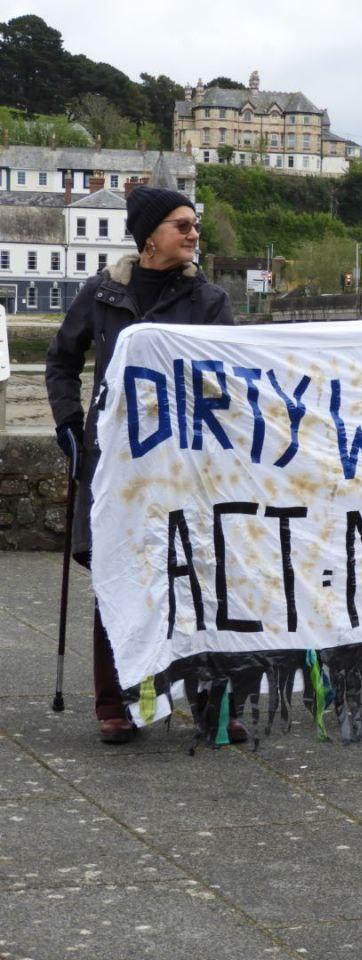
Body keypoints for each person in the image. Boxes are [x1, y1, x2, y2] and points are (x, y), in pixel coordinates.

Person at [45, 186, 235, 744]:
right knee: (118, 574)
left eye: (195, 224)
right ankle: (118, 703)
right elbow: (62, 359)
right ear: (150, 235)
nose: (194, 233)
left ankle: (211, 701)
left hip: (185, 462)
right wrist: (68, 421)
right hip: (116, 462)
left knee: (199, 575)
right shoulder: (102, 293)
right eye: (182, 225)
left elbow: (233, 375)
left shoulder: (209, 300)